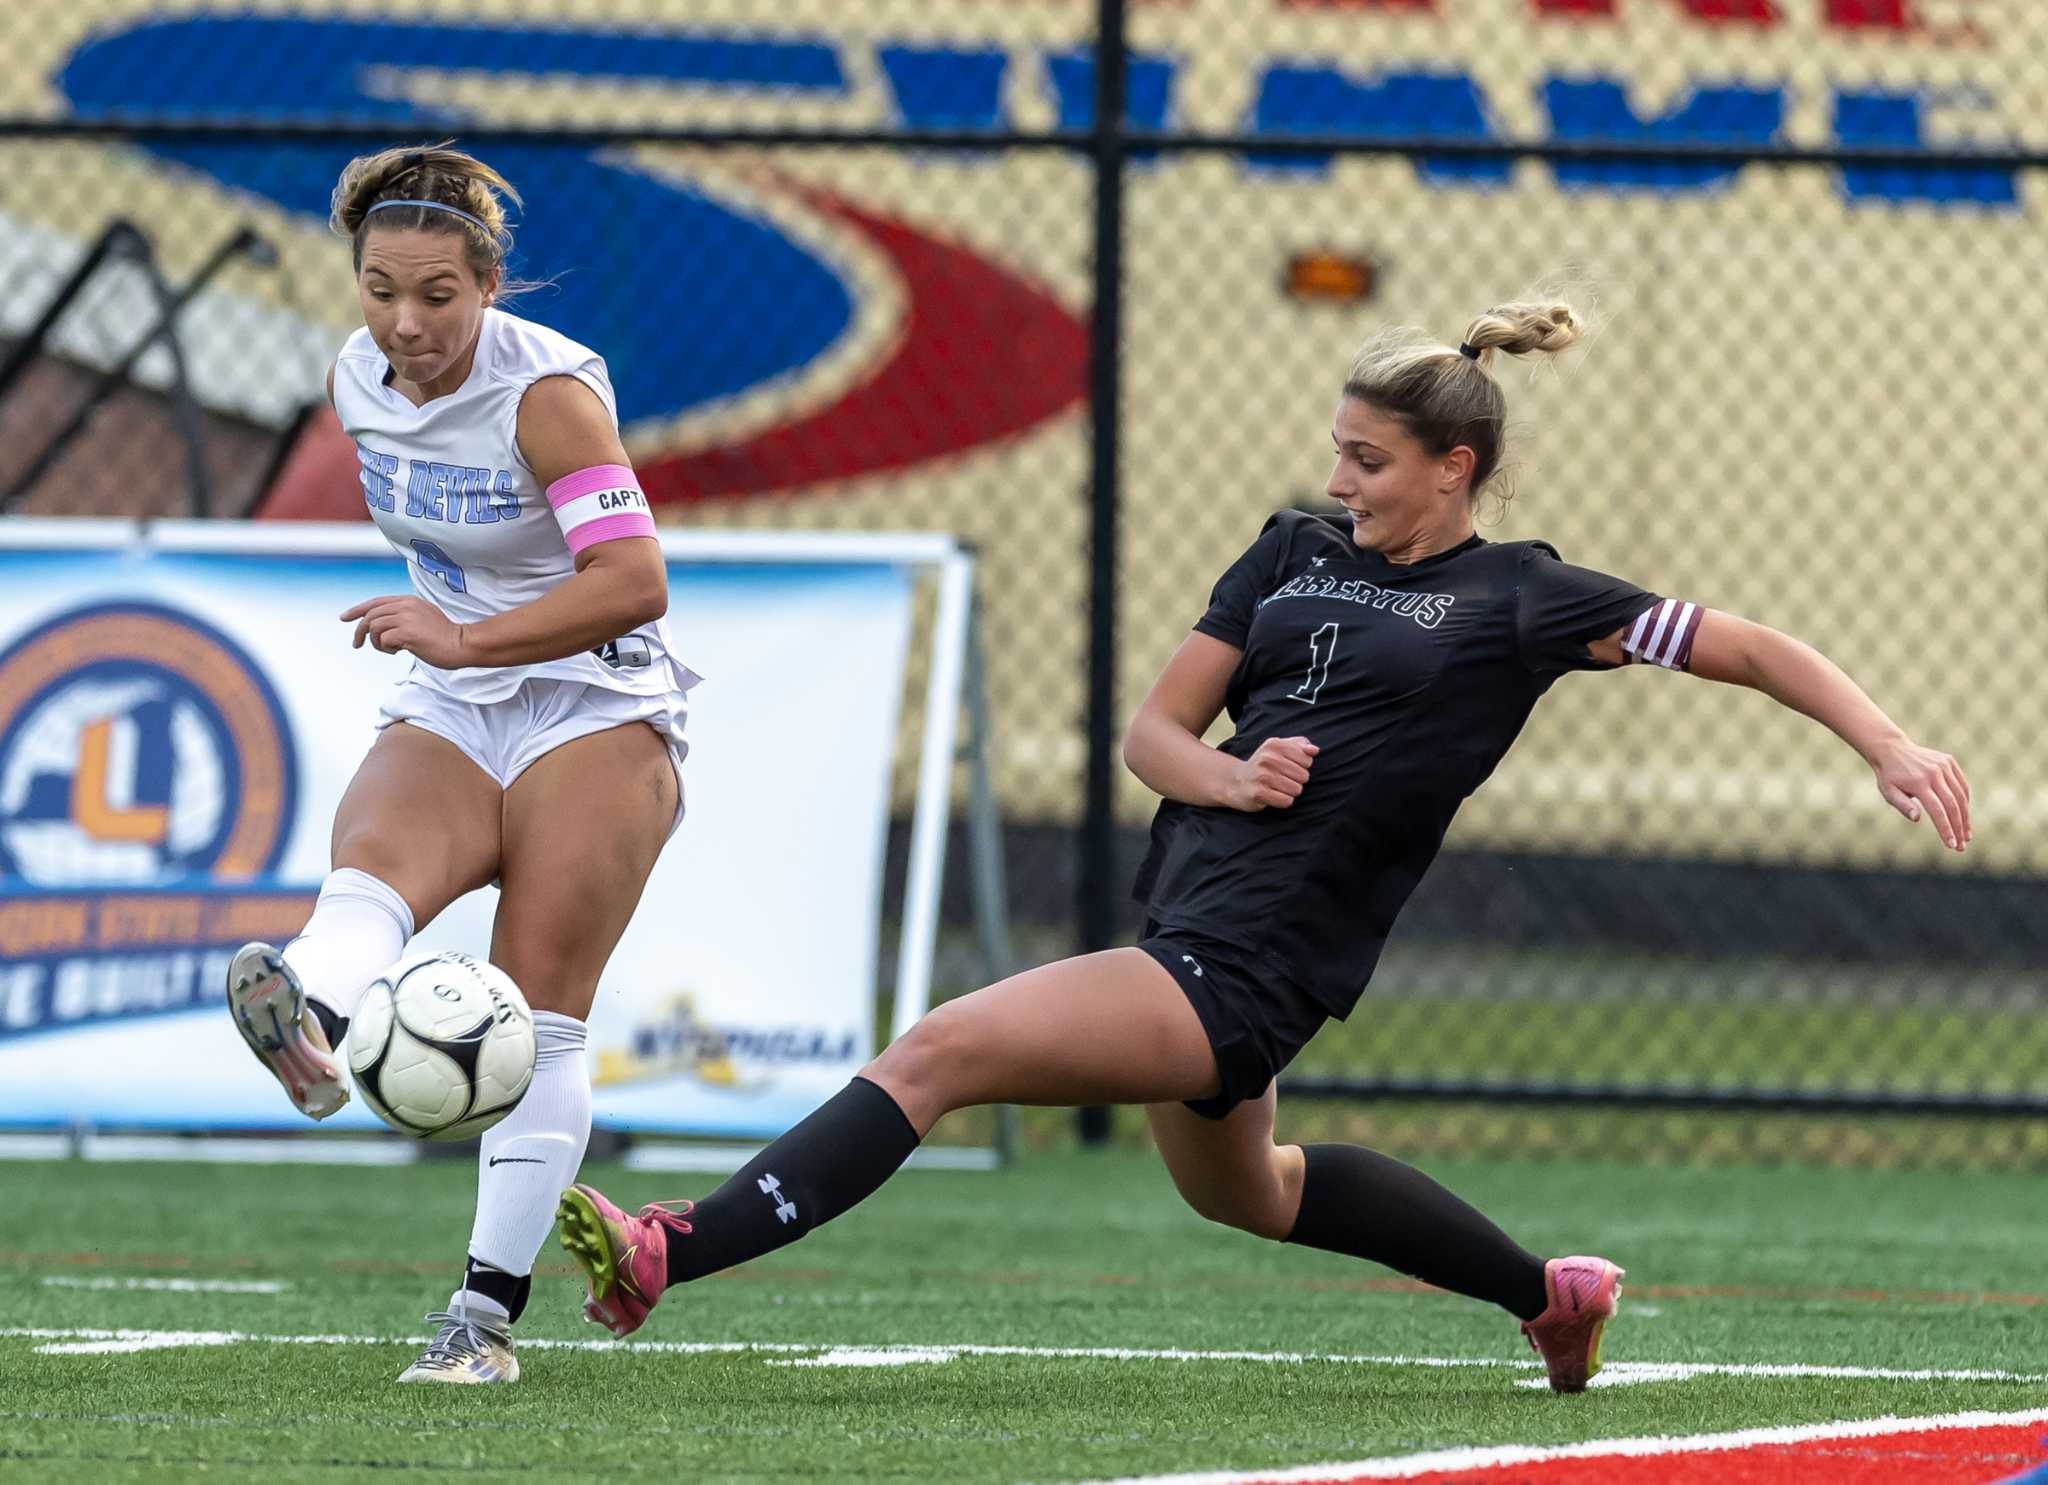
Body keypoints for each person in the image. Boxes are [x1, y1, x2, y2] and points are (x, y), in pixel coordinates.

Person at [554, 301, 1971, 1393]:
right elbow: (1154, 734)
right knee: (1254, 1191)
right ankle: (1550, 1295)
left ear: (1455, 469)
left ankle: (676, 1244)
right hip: (1192, 908)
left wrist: (1888, 743)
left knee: (938, 1051)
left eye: (1370, 460)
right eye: (1339, 451)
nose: (1341, 478)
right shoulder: (1290, 552)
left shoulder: (1524, 600)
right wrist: (1227, 777)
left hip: (1258, 953)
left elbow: (1745, 644)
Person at [224, 143, 697, 1384]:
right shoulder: (355, 375)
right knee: (368, 877)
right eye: (381, 289)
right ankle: (308, 1010)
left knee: (537, 1015)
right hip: (456, 692)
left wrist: (468, 635)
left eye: (437, 294)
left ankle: (481, 1323)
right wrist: (459, 651)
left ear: (490, 285)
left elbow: (634, 581)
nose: (406, 322)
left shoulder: (546, 397)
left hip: (594, 702)